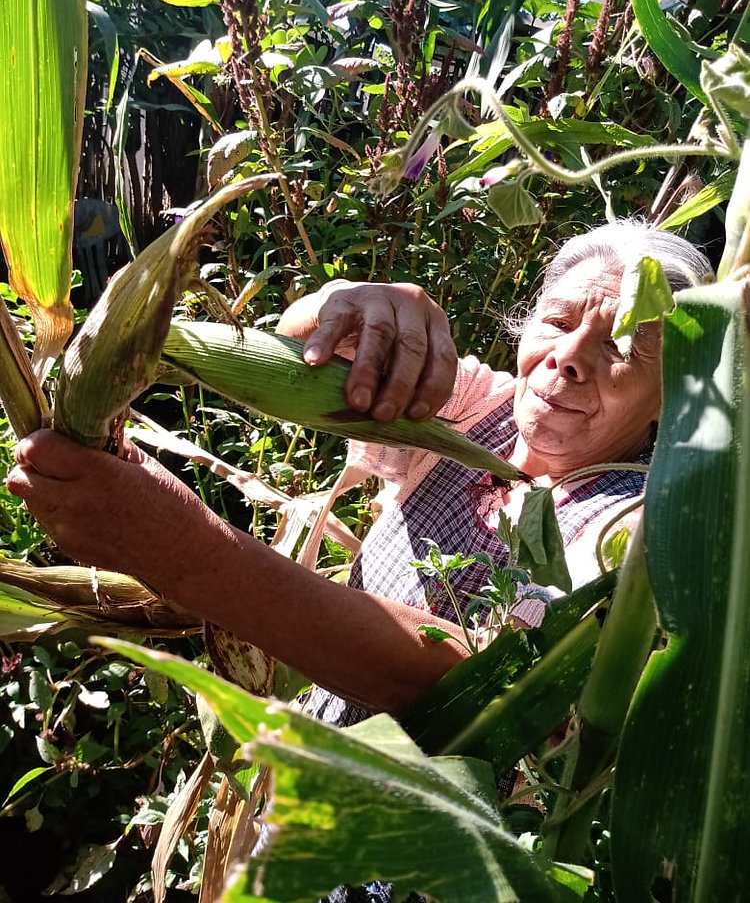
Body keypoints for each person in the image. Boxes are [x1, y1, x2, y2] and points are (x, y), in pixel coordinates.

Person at [6, 222, 711, 730]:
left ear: (673, 390)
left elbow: (477, 681)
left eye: (622, 346)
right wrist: (355, 300)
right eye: (557, 323)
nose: (567, 359)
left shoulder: (640, 529)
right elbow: (298, 349)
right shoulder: (480, 407)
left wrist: (178, 546)